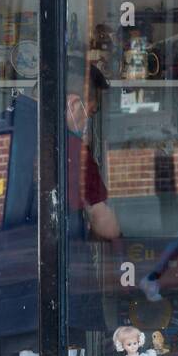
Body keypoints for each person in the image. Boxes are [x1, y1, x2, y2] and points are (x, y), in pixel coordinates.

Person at [65, 59, 120, 241]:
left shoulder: (2, 125)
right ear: (73, 106)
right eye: (90, 113)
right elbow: (103, 220)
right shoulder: (74, 150)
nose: (88, 122)